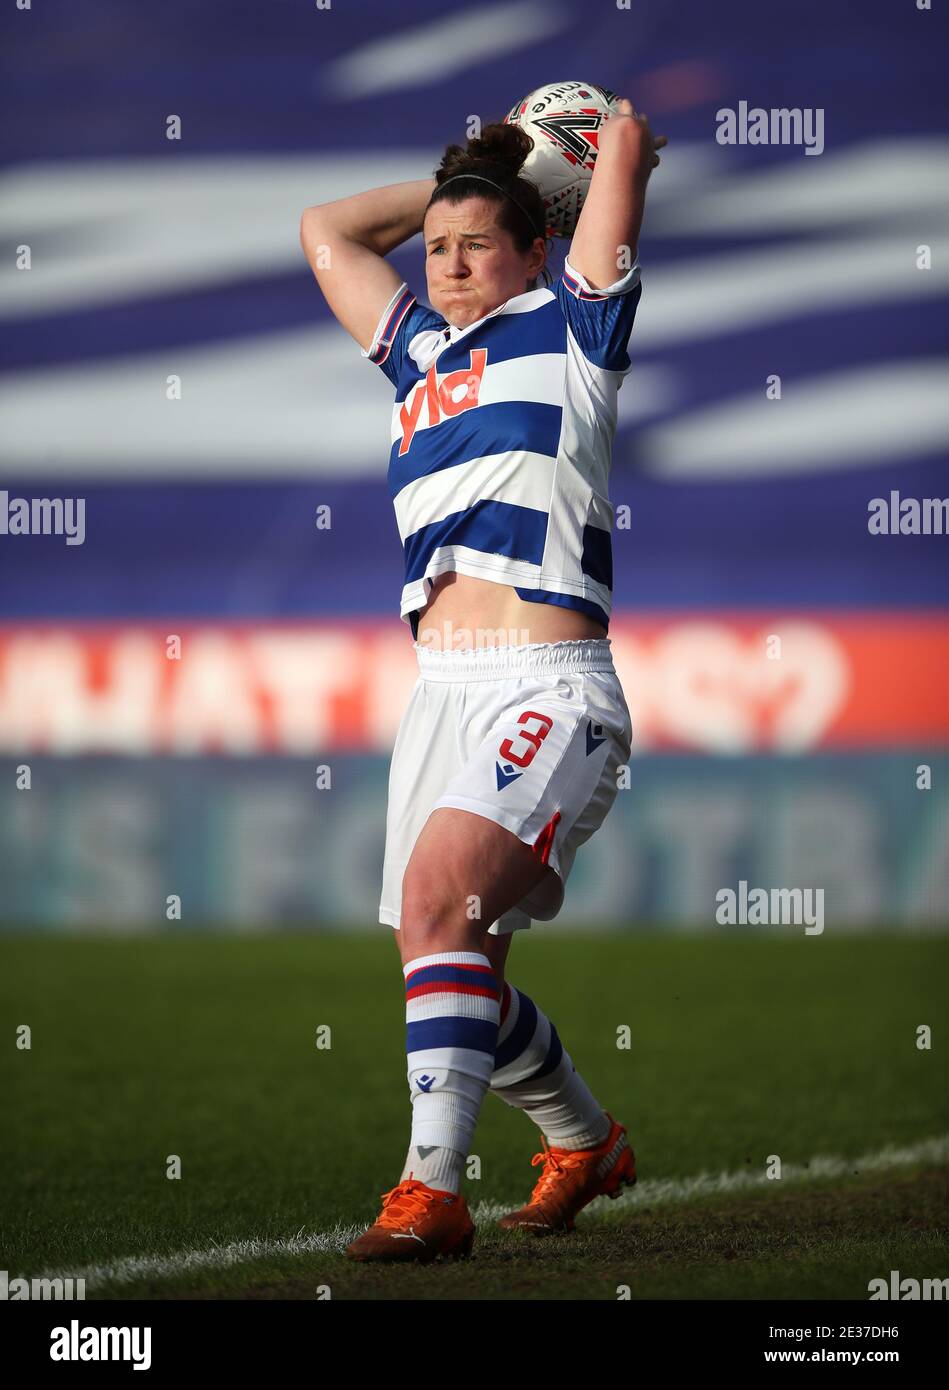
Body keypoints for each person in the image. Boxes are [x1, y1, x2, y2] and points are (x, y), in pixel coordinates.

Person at [300, 97, 666, 1262]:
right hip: (440, 698)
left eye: (479, 243)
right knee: (455, 964)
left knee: (434, 906)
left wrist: (592, 152)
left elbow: (624, 148)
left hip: (550, 686)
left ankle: (429, 1191)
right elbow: (326, 232)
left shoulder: (571, 333)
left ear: (536, 250)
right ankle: (584, 1142)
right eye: (439, 248)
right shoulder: (419, 355)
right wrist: (471, 174)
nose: (449, 262)